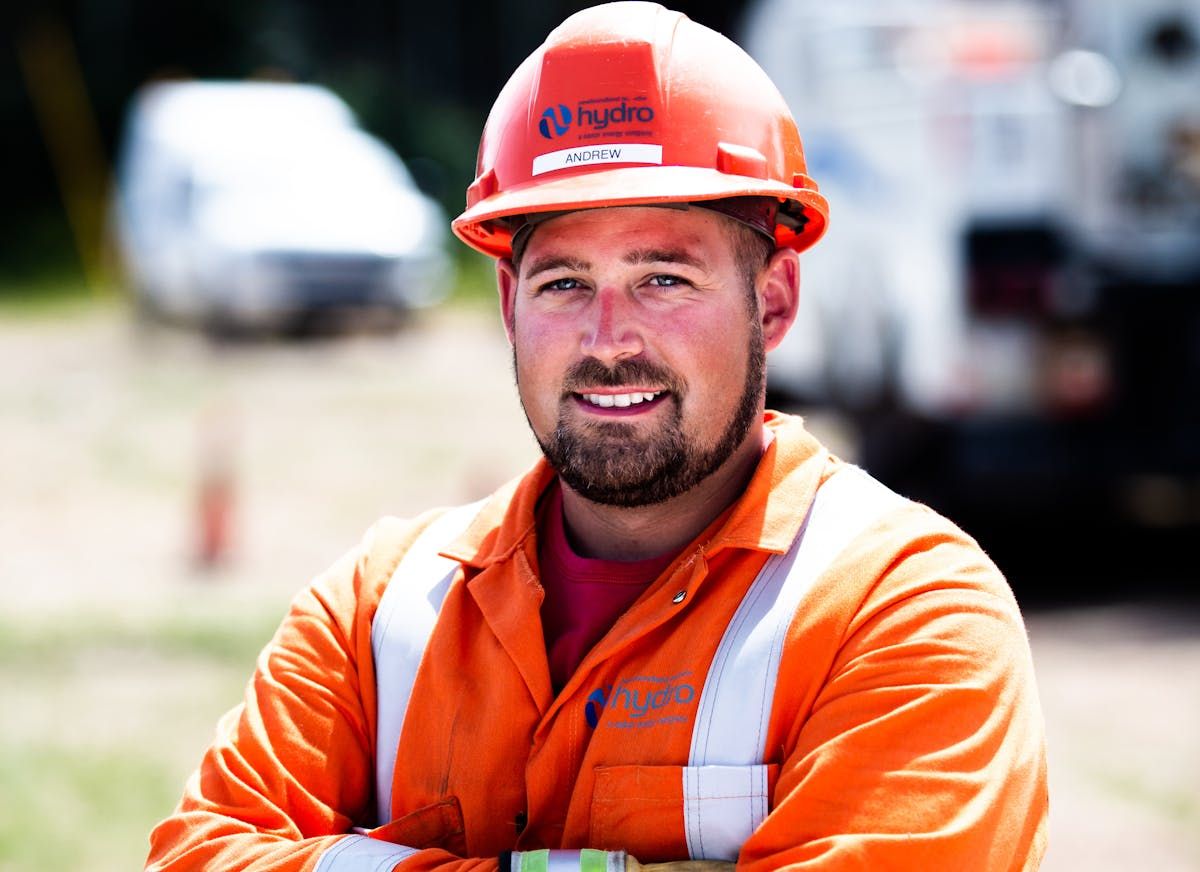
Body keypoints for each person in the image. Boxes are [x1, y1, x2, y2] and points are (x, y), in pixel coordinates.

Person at [146, 3, 1048, 870]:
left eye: (663, 279)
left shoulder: (905, 612)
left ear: (772, 301)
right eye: (564, 284)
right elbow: (200, 857)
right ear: (509, 306)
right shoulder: (373, 614)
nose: (608, 339)